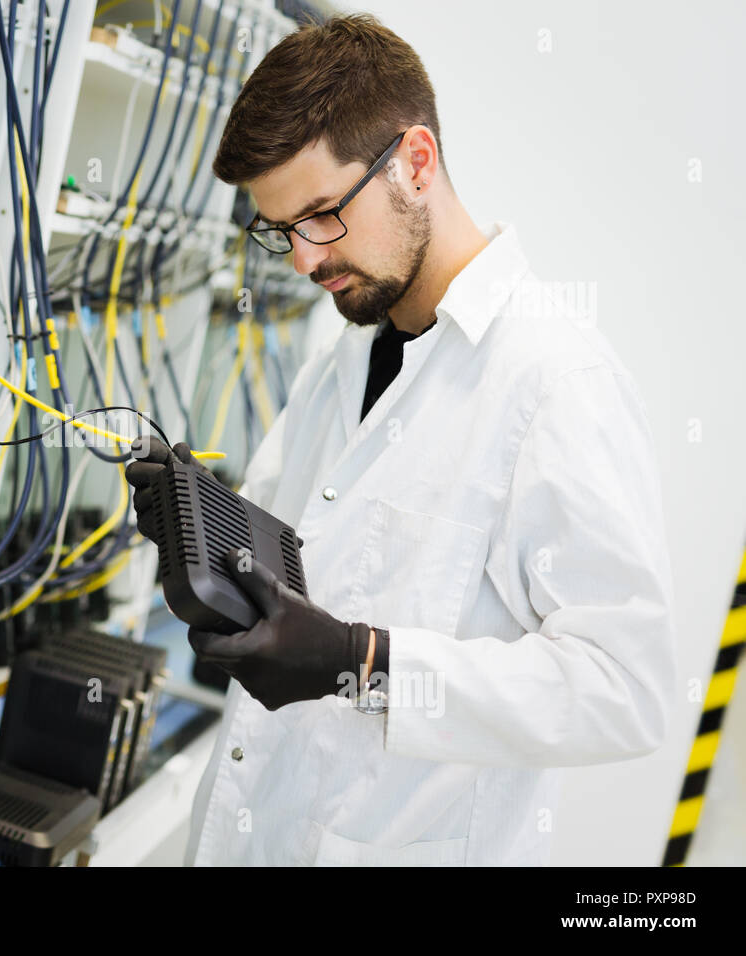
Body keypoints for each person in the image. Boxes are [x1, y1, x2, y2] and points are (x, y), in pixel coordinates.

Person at [126, 13, 675, 866]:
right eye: (280, 232)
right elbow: (300, 566)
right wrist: (196, 523)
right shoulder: (347, 358)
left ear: (416, 162)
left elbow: (626, 690)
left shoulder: (557, 383)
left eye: (320, 216)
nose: (303, 262)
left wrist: (367, 662)